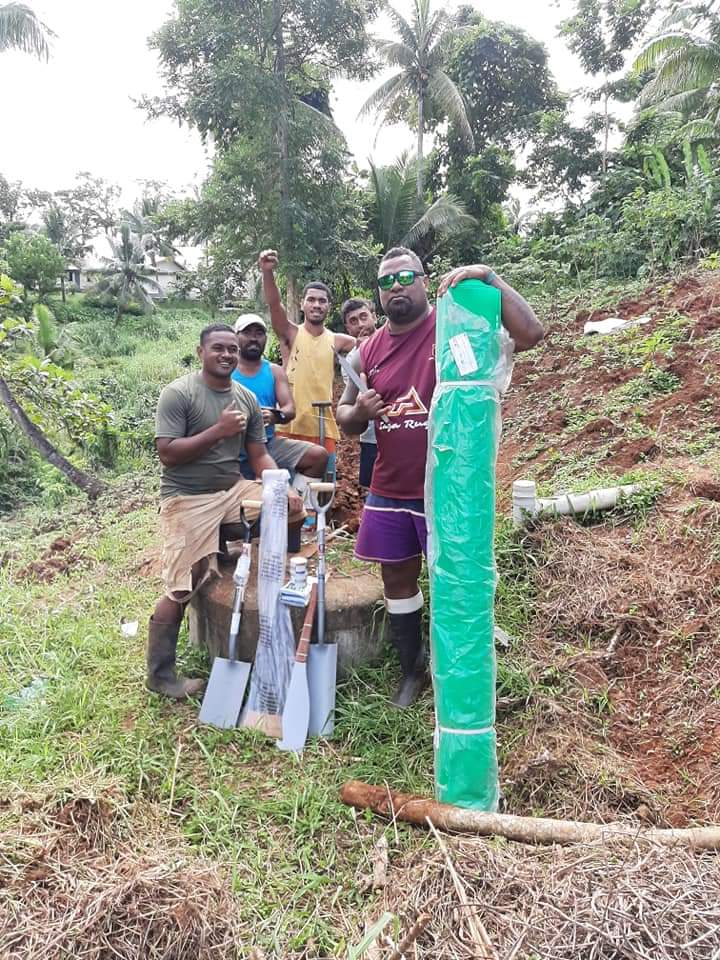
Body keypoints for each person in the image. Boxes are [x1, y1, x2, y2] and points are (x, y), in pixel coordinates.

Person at [337, 248, 544, 707]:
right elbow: (344, 415)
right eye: (387, 281)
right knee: (398, 581)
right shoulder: (367, 350)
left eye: (406, 276)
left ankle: (461, 668)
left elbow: (530, 334)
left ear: (425, 282)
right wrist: (358, 412)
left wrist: (491, 276)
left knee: (455, 580)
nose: (396, 286)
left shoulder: (456, 321)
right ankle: (412, 668)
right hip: (390, 487)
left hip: (452, 488)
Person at [148, 323, 305, 700]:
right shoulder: (179, 394)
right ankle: (160, 674)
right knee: (184, 584)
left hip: (232, 490)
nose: (227, 355)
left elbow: (259, 455)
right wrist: (217, 432)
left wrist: (280, 485)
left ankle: (262, 567)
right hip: (187, 497)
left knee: (288, 506)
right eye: (218, 348)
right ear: (201, 352)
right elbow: (167, 454)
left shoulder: (246, 399)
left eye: (232, 349)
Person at [258, 249, 355, 459]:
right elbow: (274, 305)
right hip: (288, 426)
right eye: (311, 300)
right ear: (302, 304)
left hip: (323, 426)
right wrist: (267, 272)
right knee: (287, 487)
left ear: (329, 306)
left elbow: (371, 345)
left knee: (323, 488)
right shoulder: (290, 333)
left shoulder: (338, 340)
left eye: (322, 301)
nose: (317, 305)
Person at [231, 313, 328, 480]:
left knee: (318, 456)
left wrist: (276, 415)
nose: (254, 338)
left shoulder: (274, 371)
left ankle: (300, 500)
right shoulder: (227, 370)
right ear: (235, 337)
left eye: (259, 333)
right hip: (231, 448)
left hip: (267, 443)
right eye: (247, 333)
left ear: (266, 338)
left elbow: (289, 409)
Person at [340, 298, 379, 488]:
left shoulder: (398, 345)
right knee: (371, 492)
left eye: (364, 317)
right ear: (348, 329)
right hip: (372, 438)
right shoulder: (349, 360)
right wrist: (363, 352)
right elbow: (357, 398)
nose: (361, 324)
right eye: (353, 321)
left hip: (408, 433)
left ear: (375, 317)